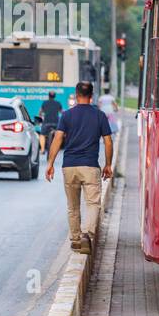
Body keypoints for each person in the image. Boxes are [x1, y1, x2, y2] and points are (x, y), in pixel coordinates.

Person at [45, 81, 113, 254]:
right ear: (92, 96)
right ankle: (86, 236)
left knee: (72, 206)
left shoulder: (67, 115)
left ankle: (75, 240)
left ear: (76, 95)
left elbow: (58, 139)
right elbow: (107, 141)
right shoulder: (99, 116)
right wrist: (108, 164)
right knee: (92, 204)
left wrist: (50, 164)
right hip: (90, 166)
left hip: (69, 166)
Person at [37, 90, 62, 158]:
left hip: (46, 123)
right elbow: (62, 112)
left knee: (42, 135)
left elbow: (40, 112)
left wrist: (40, 117)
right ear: (55, 96)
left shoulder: (44, 103)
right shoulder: (58, 103)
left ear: (48, 96)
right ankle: (56, 149)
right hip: (56, 124)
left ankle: (42, 150)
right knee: (58, 136)